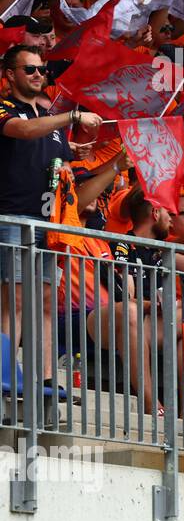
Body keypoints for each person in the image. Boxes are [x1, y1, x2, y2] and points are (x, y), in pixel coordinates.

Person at [0, 46, 101, 422]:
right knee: (13, 303)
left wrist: (109, 163)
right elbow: (24, 131)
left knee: (44, 304)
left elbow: (67, 179)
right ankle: (5, 379)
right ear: (9, 74)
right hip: (10, 220)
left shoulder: (53, 127)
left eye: (42, 69)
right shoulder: (6, 109)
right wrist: (72, 116)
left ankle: (43, 384)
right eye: (29, 69)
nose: (39, 74)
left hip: (48, 230)